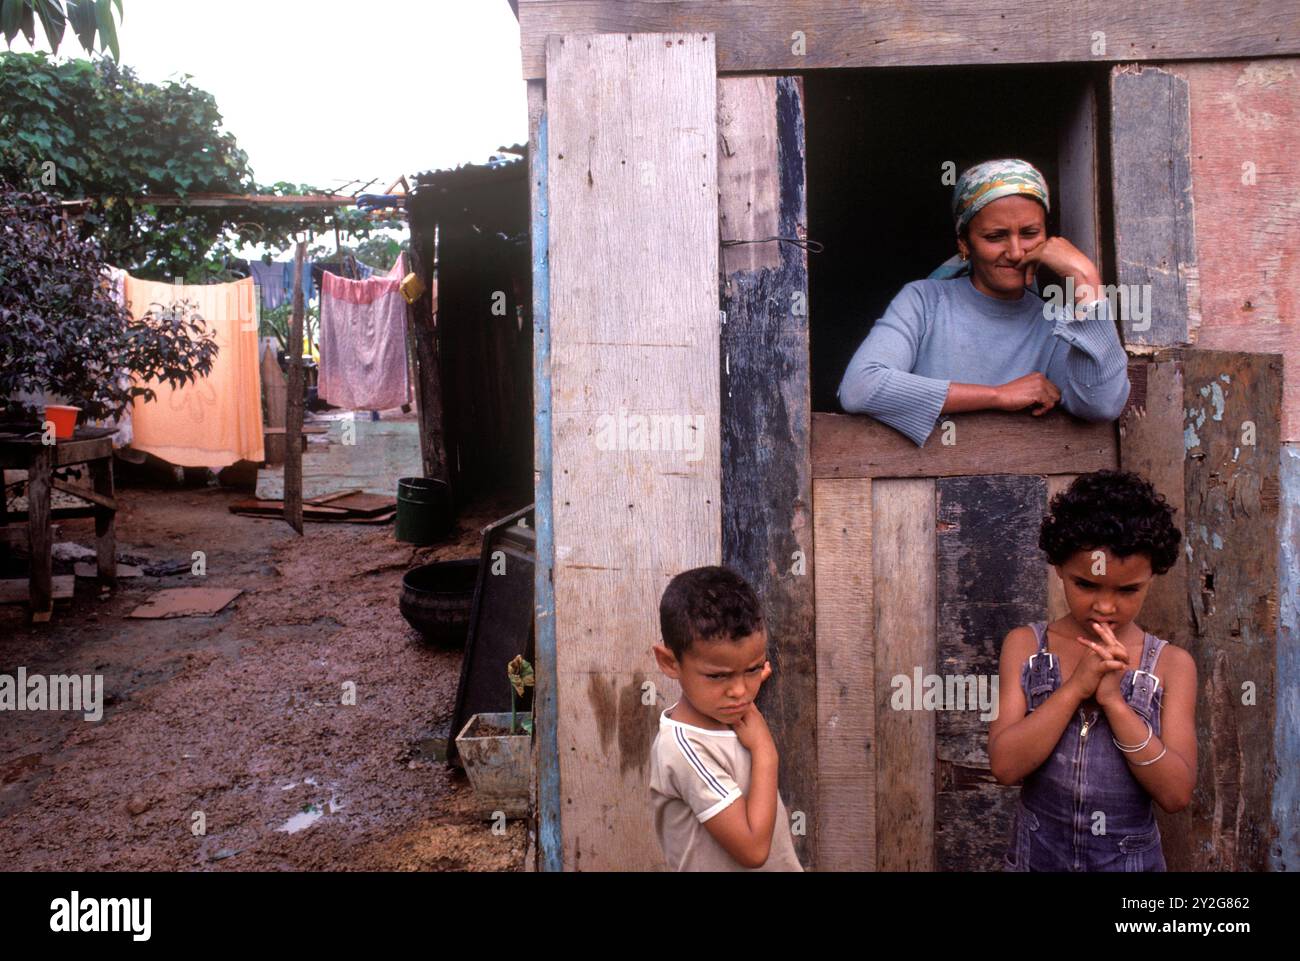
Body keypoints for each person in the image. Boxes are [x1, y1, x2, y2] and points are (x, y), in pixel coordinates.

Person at [838, 158, 1130, 446]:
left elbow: (1101, 405)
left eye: (1029, 233)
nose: (1016, 252)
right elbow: (860, 387)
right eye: (995, 236)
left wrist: (1086, 276)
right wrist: (997, 395)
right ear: (964, 244)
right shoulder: (924, 302)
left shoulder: (1055, 321)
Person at [989, 470, 1197, 871]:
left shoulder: (1171, 666)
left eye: (1127, 590)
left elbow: (1176, 794)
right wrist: (1074, 689)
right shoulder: (1027, 647)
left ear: (1151, 577)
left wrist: (1114, 703)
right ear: (1059, 569)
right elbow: (1005, 766)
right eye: (1086, 584)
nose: (1105, 607)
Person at [648, 566, 803, 871]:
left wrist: (742, 673)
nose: (740, 691)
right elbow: (753, 850)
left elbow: (737, 676)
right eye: (718, 675)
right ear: (669, 662)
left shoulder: (724, 701)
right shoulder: (683, 749)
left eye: (753, 669)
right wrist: (765, 752)